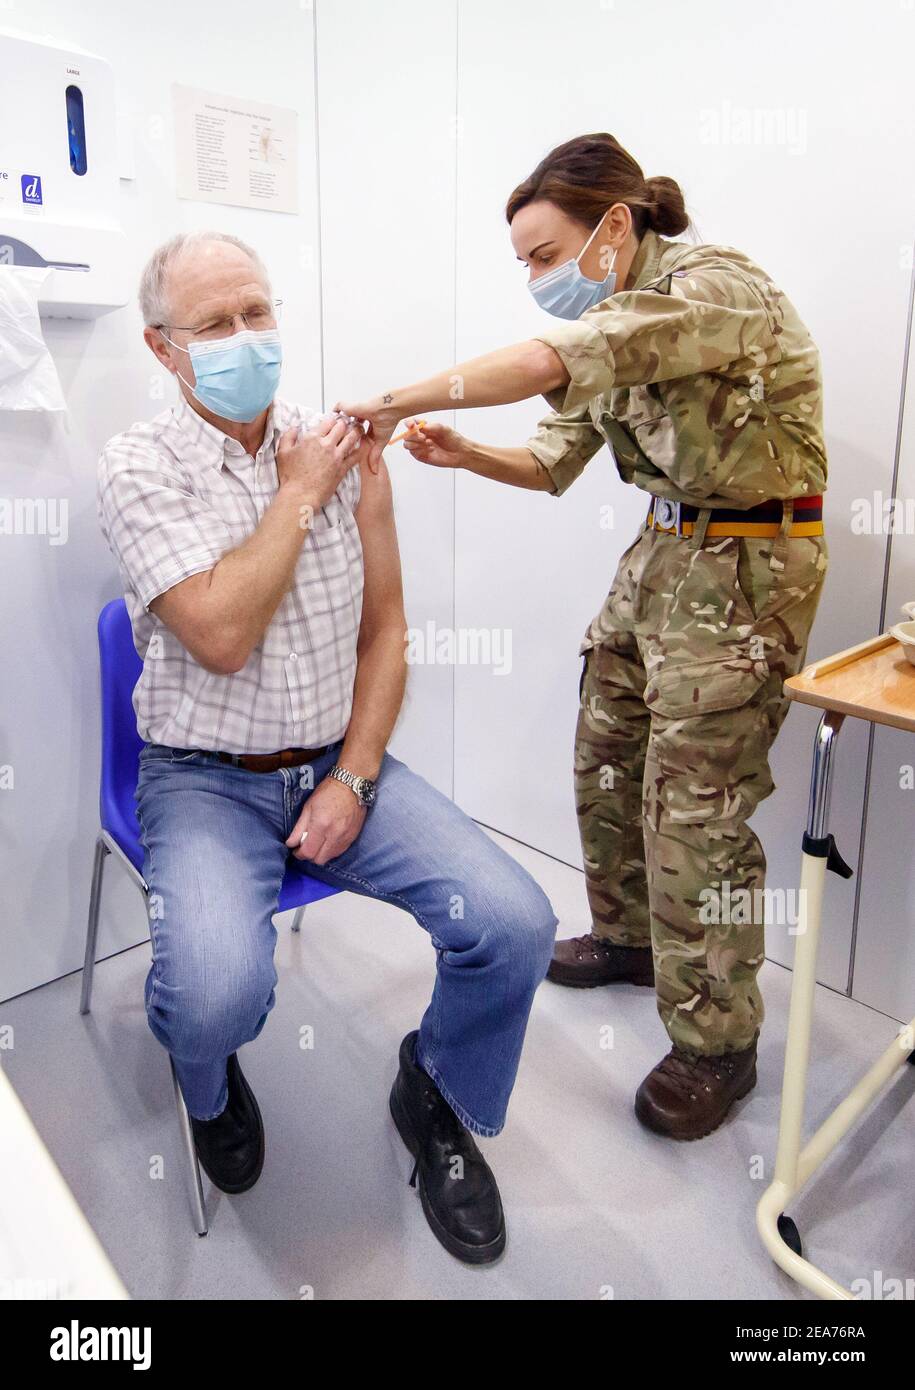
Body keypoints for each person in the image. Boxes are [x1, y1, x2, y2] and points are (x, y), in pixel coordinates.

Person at [337, 133, 828, 1142]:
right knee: (606, 756)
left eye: (543, 253)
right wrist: (465, 452)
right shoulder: (611, 317)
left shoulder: (709, 287)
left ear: (615, 224)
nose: (534, 278)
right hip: (663, 556)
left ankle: (716, 1042)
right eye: (522, 260)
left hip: (748, 568)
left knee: (698, 809)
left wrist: (391, 403)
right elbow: (555, 461)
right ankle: (628, 938)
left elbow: (543, 363)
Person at [96, 230, 557, 1263]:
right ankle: (206, 1082)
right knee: (215, 996)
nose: (245, 337)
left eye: (258, 311)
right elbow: (217, 636)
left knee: (514, 923)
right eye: (215, 323)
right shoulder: (139, 466)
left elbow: (387, 630)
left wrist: (353, 774)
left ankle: (433, 1084)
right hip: (202, 780)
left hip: (340, 765)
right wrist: (300, 490)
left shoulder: (344, 447)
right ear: (164, 348)